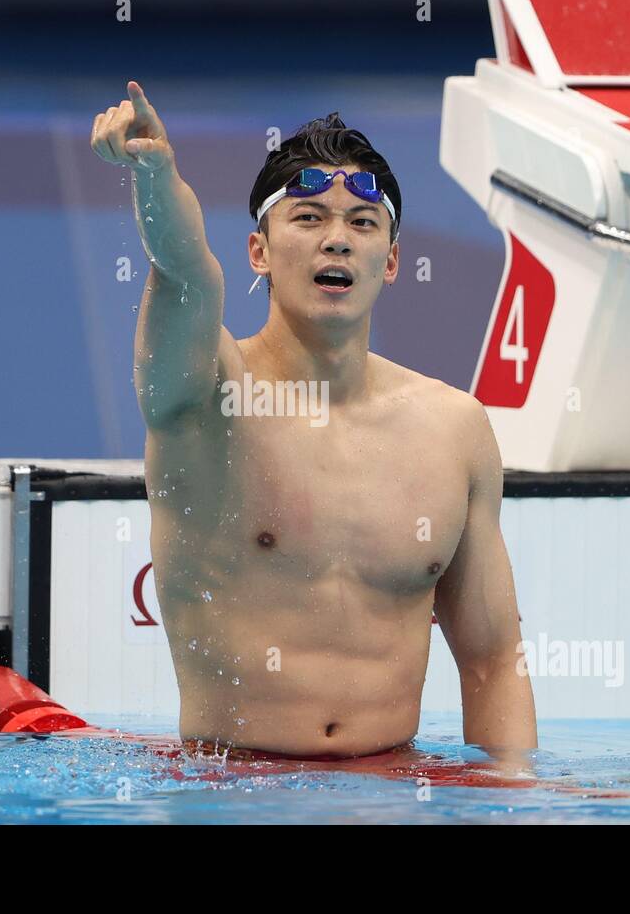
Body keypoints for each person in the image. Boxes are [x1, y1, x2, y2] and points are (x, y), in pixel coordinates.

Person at [90, 80, 537, 761]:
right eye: (307, 218)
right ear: (258, 252)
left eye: (361, 224)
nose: (337, 240)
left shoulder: (454, 430)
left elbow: (493, 663)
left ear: (390, 261)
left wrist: (515, 800)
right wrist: (157, 175)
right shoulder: (207, 397)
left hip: (392, 793)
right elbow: (185, 273)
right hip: (233, 793)